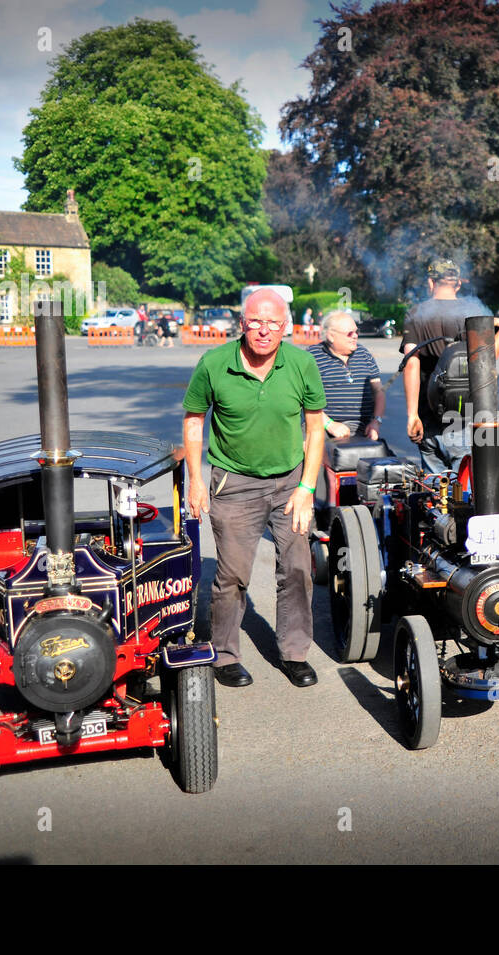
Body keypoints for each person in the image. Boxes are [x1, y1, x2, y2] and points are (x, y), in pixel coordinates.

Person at [181, 287, 327, 689]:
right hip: (234, 484)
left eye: (273, 323)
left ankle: (294, 653)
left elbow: (316, 429)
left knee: (297, 568)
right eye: (256, 322)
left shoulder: (301, 363)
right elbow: (194, 421)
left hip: (289, 485)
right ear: (242, 323)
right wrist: (197, 480)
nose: (264, 330)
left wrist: (306, 487)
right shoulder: (214, 363)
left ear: (287, 327)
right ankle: (225, 655)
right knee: (231, 576)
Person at [401, 258, 499, 473]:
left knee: (436, 492)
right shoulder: (473, 312)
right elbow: (486, 360)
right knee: (467, 493)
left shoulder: (415, 314)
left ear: (431, 283)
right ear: (458, 284)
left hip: (429, 418)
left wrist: (412, 415)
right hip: (466, 418)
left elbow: (411, 364)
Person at [308, 309, 385, 441]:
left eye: (357, 332)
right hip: (324, 428)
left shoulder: (364, 354)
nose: (355, 336)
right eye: (350, 333)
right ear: (331, 336)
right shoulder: (312, 356)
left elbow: (378, 391)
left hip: (363, 427)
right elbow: (304, 398)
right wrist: (329, 424)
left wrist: (376, 422)